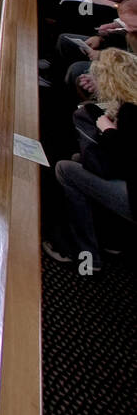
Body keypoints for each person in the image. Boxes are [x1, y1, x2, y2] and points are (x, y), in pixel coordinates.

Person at [44, 48, 137, 265]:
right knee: (78, 160)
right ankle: (112, 238)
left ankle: (85, 253)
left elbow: (120, 161)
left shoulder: (130, 114)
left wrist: (108, 132)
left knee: (65, 169)